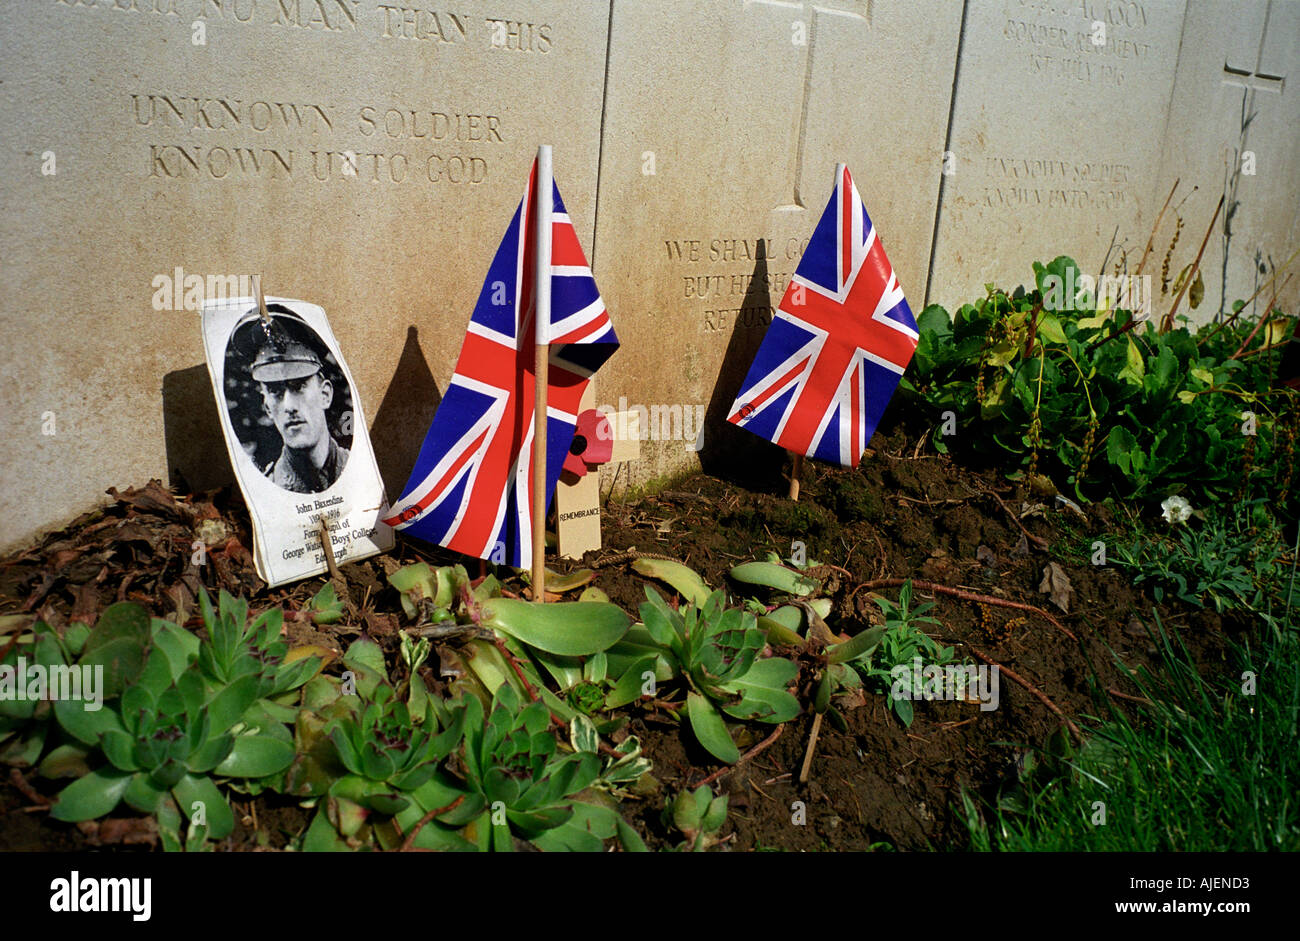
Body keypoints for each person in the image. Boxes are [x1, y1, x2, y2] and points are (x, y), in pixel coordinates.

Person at [251, 333, 349, 493]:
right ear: (268, 408)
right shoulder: (268, 490)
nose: (288, 406)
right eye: (275, 391)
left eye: (298, 386)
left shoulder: (361, 465)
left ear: (325, 395)